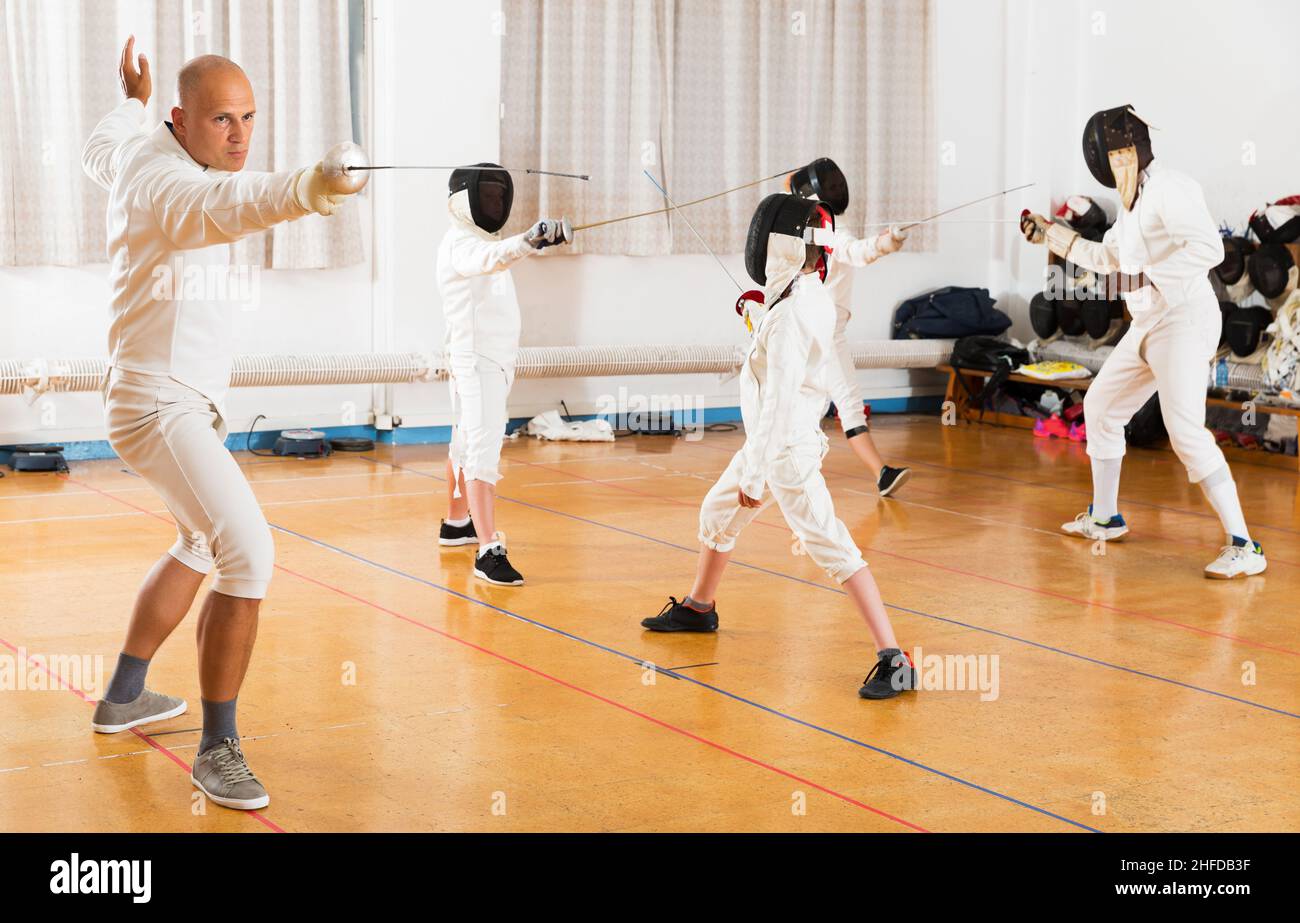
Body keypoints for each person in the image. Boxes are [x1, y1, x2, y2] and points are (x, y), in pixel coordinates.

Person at [82, 37, 362, 810]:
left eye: (248, 119)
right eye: (220, 121)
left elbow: (99, 145)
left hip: (166, 399)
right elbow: (222, 209)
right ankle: (219, 747)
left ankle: (125, 695)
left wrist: (131, 98)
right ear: (183, 120)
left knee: (198, 541)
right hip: (158, 401)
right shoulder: (171, 184)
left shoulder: (141, 145)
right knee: (250, 553)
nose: (239, 137)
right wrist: (306, 186)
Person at [641, 193, 916, 699]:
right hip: (771, 443)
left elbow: (781, 400)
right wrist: (760, 320)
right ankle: (700, 608)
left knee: (831, 545)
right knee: (717, 513)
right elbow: (782, 353)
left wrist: (753, 475)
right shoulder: (806, 294)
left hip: (785, 454)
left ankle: (895, 659)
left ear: (784, 246)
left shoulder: (791, 314)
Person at [1021, 105, 1265, 579]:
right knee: (1101, 408)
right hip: (1148, 324)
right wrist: (1055, 236)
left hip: (1185, 320)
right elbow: (1110, 256)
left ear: (1123, 153)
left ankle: (1244, 545)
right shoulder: (1133, 203)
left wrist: (1149, 276)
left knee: (1186, 431)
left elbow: (1210, 250)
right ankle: (1105, 518)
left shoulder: (1171, 189)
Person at [435, 164, 571, 585]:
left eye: (499, 196)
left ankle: (457, 523)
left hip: (490, 361)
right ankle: (487, 548)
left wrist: (534, 243)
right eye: (487, 196)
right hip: (477, 362)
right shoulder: (462, 245)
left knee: (464, 441)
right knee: (481, 448)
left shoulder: (480, 241)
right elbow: (491, 259)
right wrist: (529, 240)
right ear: (464, 200)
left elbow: (498, 254)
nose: (494, 204)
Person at [786, 157, 912, 495]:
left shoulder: (799, 232)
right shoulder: (828, 234)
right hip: (824, 335)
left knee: (807, 405)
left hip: (802, 332)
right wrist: (886, 243)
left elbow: (858, 250)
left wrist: (885, 243)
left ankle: (787, 471)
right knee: (843, 405)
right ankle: (880, 473)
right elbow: (860, 251)